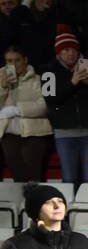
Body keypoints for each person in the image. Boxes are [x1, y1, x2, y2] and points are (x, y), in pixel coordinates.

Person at [43, 26, 88, 184]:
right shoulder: (49, 71)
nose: (71, 53)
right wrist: (72, 83)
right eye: (66, 50)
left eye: (73, 49)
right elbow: (50, 99)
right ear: (58, 53)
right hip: (65, 132)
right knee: (69, 178)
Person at [0, 44, 52, 179]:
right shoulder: (0, 79)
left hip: (34, 133)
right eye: (9, 61)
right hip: (9, 133)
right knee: (17, 176)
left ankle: (35, 200)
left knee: (33, 174)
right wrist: (3, 87)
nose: (13, 64)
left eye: (17, 60)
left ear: (25, 60)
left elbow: (45, 106)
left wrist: (17, 110)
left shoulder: (40, 79)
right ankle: (21, 200)